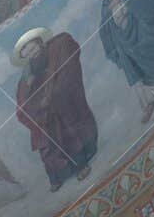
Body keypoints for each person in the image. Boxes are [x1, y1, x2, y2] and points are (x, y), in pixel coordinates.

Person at [12, 27, 98, 192]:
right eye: (27, 54)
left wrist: (54, 94)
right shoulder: (27, 75)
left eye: (32, 49)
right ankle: (56, 177)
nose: (32, 54)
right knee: (45, 141)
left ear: (39, 43)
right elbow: (22, 100)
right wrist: (36, 105)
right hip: (44, 114)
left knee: (68, 132)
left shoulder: (57, 48)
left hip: (62, 104)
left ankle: (81, 166)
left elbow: (67, 67)